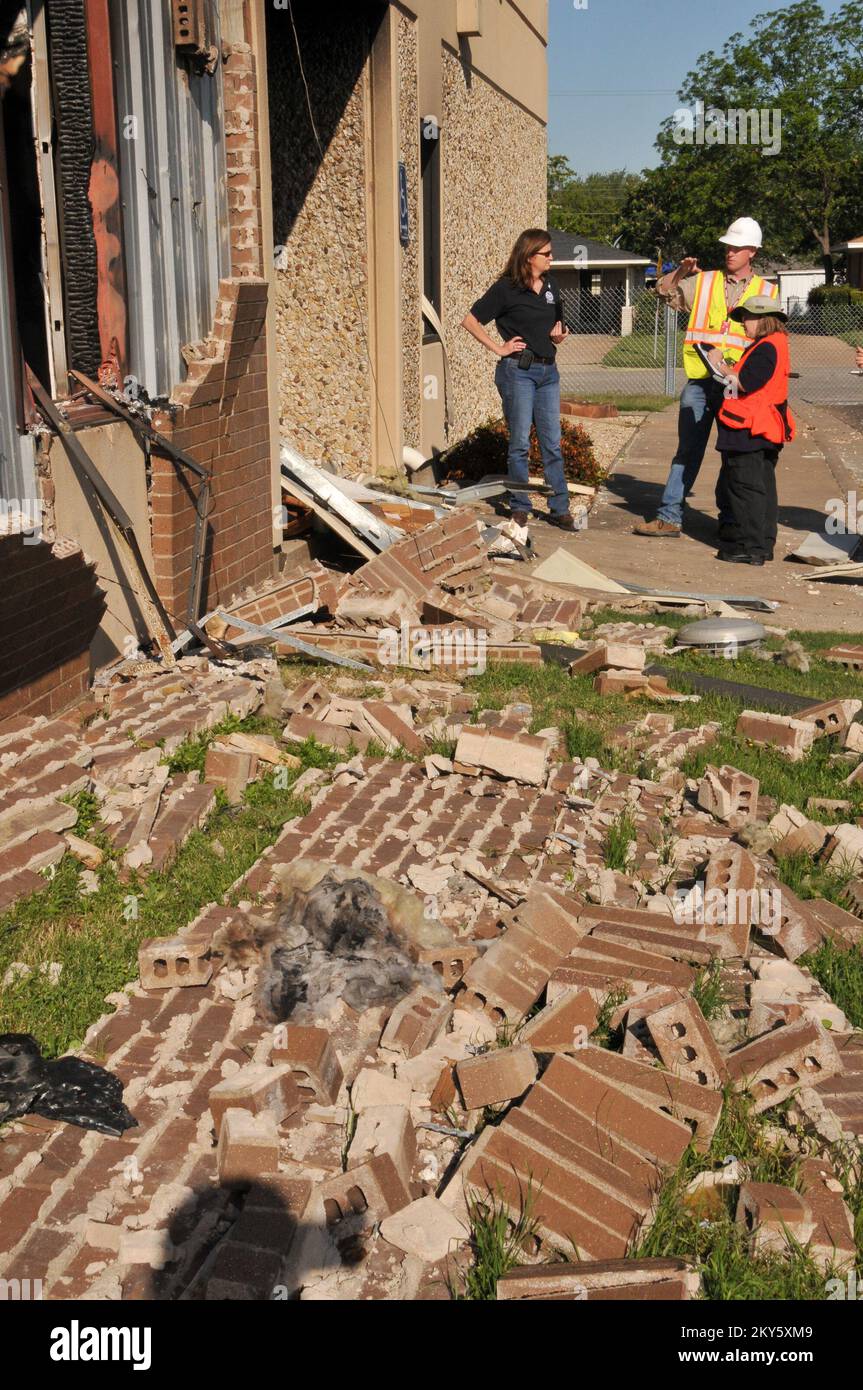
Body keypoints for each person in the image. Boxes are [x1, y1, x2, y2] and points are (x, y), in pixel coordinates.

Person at [633, 216, 779, 538]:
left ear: (752, 251)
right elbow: (662, 291)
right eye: (727, 246)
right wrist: (683, 270)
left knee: (733, 457)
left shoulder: (767, 291)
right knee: (688, 451)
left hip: (736, 386)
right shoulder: (705, 281)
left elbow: (771, 342)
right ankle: (669, 517)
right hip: (700, 382)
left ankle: (729, 519)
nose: (729, 252)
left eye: (737, 247)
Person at [461, 228, 576, 530]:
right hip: (518, 373)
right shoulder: (506, 289)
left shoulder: (551, 286)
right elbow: (470, 321)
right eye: (547, 254)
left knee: (552, 443)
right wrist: (499, 347)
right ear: (529, 256)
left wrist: (560, 334)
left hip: (548, 372)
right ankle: (520, 506)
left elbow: (559, 324)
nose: (552, 258)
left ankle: (559, 507)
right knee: (520, 444)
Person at [709, 296, 795, 566]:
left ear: (763, 319)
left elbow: (746, 383)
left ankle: (750, 546)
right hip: (763, 427)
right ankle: (761, 544)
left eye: (747, 317)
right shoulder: (772, 345)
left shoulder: (766, 347)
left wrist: (719, 364)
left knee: (745, 488)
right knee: (762, 487)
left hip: (750, 429)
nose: (743, 323)